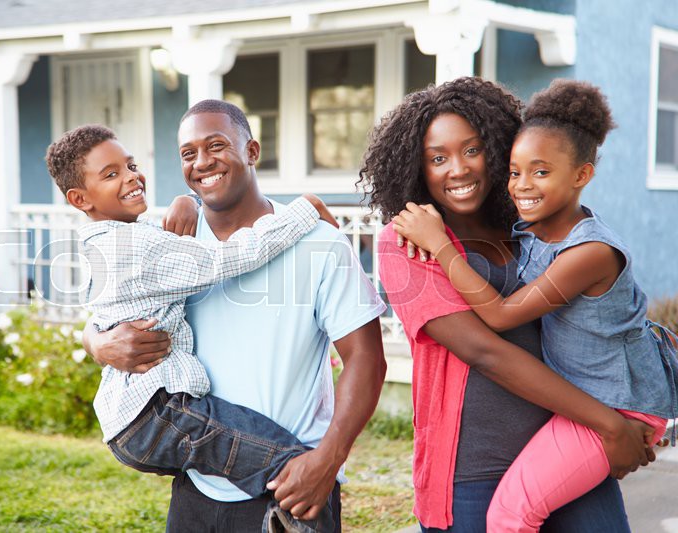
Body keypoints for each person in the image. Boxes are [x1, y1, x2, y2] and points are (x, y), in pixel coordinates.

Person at [358, 77, 658, 532]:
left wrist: (612, 422)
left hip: (565, 447)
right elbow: (485, 351)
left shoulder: (533, 225)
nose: (457, 169)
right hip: (474, 474)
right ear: (417, 169)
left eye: (472, 150)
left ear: (500, 148)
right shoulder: (405, 244)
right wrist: (612, 426)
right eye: (438, 158)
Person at [82, 100, 388, 532]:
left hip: (294, 484)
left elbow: (367, 360)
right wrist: (95, 341)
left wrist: (327, 461)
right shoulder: (172, 241)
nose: (203, 162)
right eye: (189, 153)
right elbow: (115, 301)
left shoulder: (320, 243)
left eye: (217, 145)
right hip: (198, 486)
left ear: (252, 151)